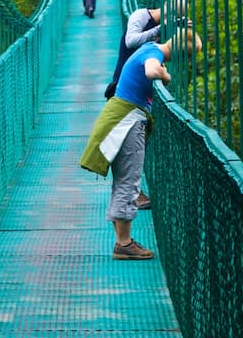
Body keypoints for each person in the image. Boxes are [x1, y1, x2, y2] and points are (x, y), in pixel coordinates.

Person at [79, 19, 197, 260]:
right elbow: (152, 70)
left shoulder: (148, 47)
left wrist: (188, 29)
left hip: (121, 119)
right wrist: (165, 76)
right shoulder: (154, 54)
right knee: (129, 182)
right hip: (127, 122)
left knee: (123, 180)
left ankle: (124, 241)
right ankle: (124, 244)